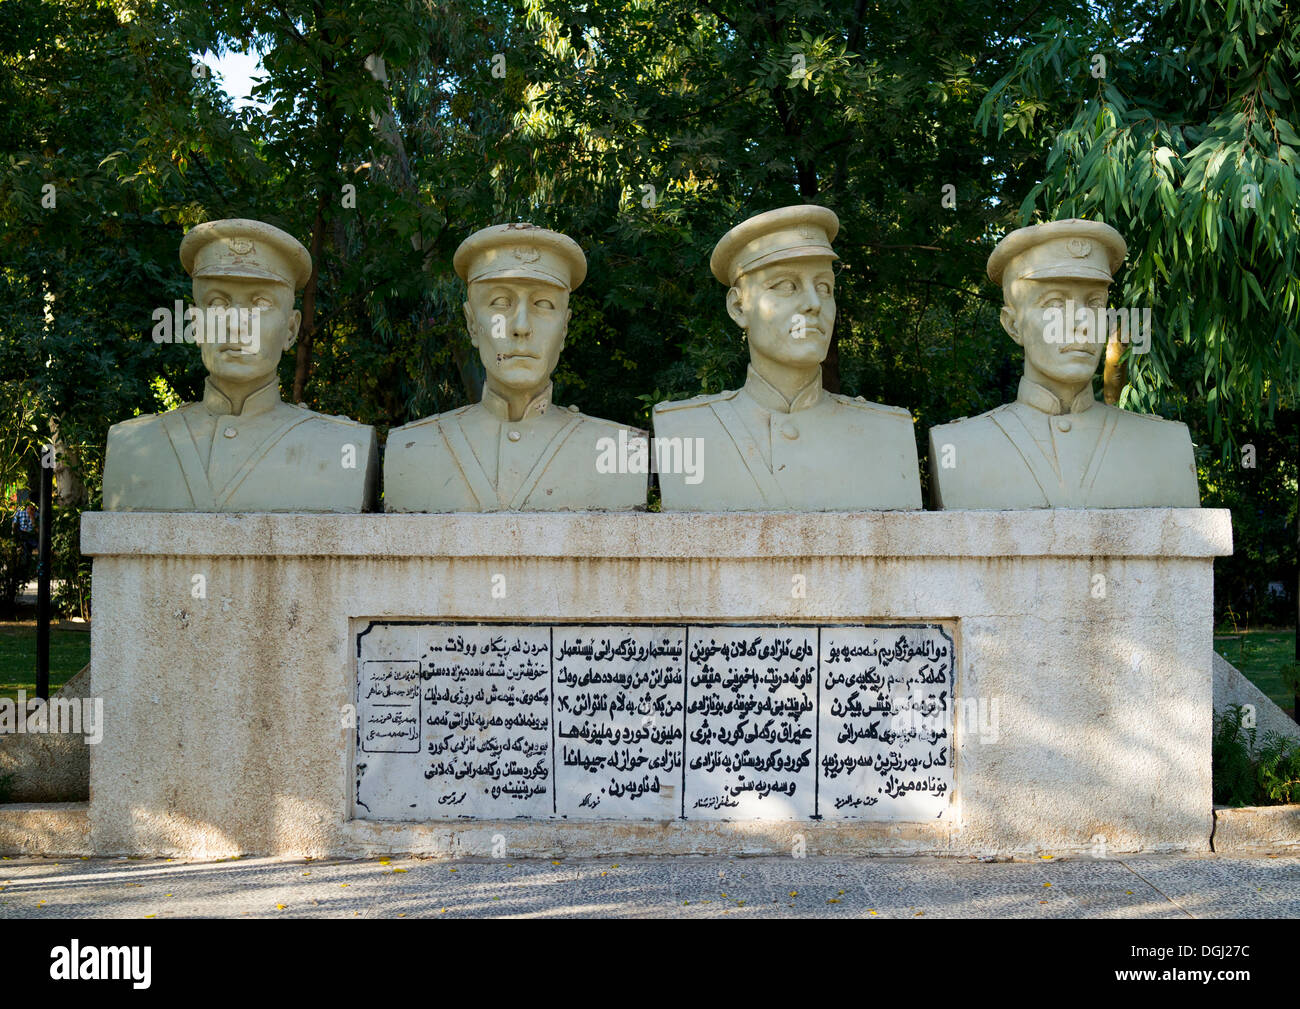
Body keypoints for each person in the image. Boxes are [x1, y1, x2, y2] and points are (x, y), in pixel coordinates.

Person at [653, 205, 921, 510]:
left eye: (824, 287)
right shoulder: (683, 431)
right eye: (786, 285)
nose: (813, 303)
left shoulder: (888, 434)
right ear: (738, 308)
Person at [102, 219, 378, 511]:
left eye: (260, 304)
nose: (236, 324)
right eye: (218, 303)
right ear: (195, 325)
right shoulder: (130, 444)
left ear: (291, 330)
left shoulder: (343, 447)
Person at [928, 219, 1200, 509]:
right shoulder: (958, 447)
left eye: (1095, 303)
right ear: (1012, 326)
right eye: (1055, 303)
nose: (1082, 323)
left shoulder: (1165, 446)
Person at [384, 222, 647, 512]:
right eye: (499, 302)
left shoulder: (621, 451)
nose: (521, 327)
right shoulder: (413, 449)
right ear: (472, 324)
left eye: (544, 304)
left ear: (565, 328)